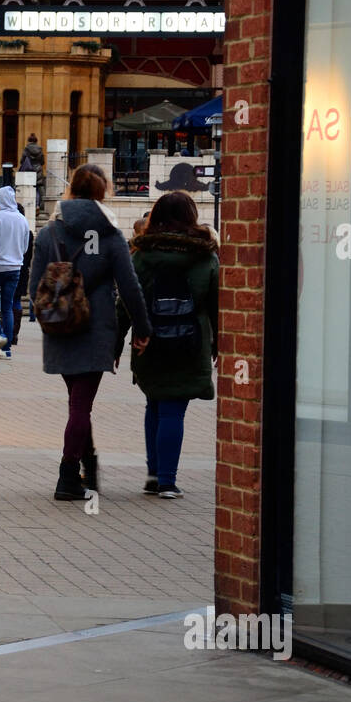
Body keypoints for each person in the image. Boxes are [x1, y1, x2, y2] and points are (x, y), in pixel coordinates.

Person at [29, 163, 151, 502]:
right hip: (96, 328)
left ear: (71, 190)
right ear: (103, 193)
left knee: (77, 403)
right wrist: (142, 329)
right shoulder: (110, 235)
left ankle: (89, 464)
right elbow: (130, 287)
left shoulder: (48, 233)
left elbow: (33, 288)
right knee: (81, 406)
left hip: (60, 326)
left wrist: (55, 312)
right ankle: (68, 476)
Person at [116, 189, 218, 499]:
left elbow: (127, 302)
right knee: (174, 410)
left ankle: (153, 475)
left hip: (150, 341)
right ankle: (167, 481)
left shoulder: (142, 255)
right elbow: (217, 304)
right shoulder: (206, 256)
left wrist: (116, 340)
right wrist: (220, 343)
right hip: (191, 342)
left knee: (155, 403)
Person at [0, 185, 30, 358]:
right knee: (7, 306)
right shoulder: (22, 219)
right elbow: (24, 248)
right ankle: (6, 348)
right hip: (15, 267)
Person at [10, 202, 34, 347]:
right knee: (16, 301)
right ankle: (14, 334)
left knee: (6, 302)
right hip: (22, 270)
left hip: (8, 269)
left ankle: (6, 332)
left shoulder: (9, 230)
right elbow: (29, 256)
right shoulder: (29, 233)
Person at [19, 133, 46, 211]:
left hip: (29, 170)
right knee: (40, 186)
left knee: (30, 187)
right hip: (38, 169)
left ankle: (32, 205)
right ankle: (41, 204)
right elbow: (42, 161)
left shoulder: (26, 149)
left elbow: (22, 160)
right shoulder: (40, 149)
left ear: (29, 140)